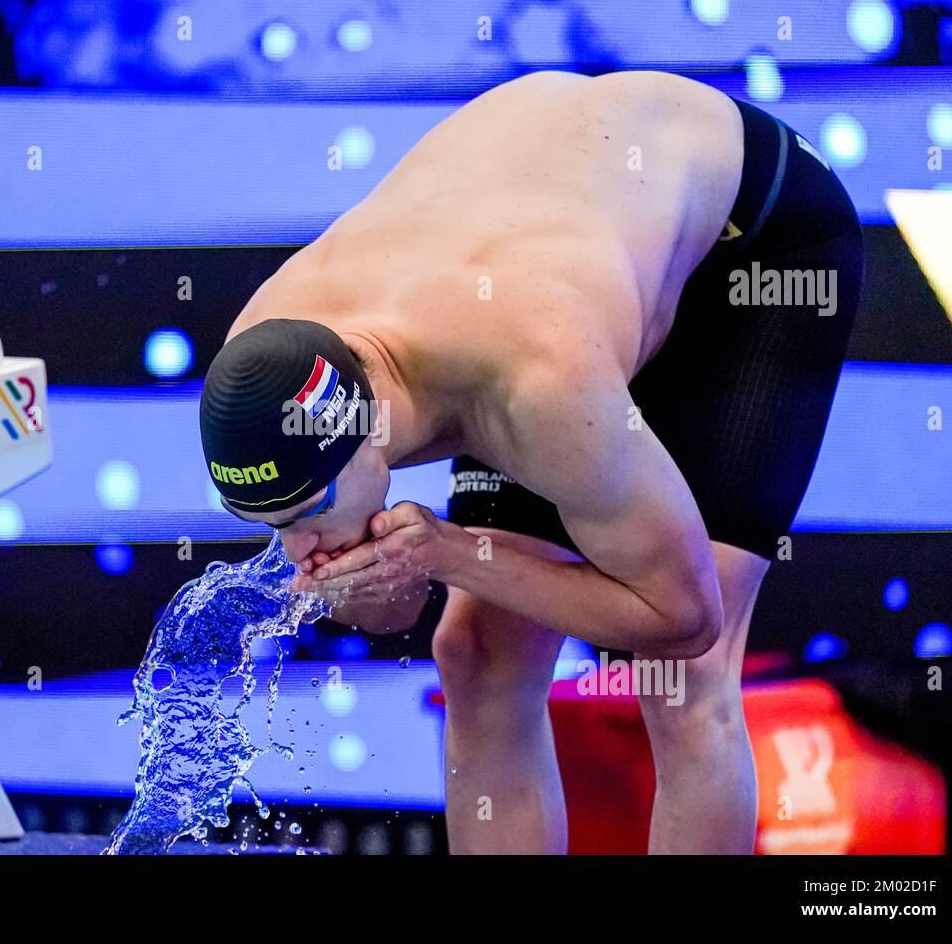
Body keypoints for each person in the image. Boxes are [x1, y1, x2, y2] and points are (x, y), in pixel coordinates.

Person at [198, 70, 863, 854]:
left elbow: (682, 617)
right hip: (562, 247)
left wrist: (448, 551)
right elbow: (392, 610)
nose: (298, 548)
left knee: (681, 680)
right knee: (475, 656)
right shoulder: (267, 354)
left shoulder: (531, 387)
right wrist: (379, 571)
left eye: (307, 515)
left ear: (372, 431)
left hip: (748, 242)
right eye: (276, 524)